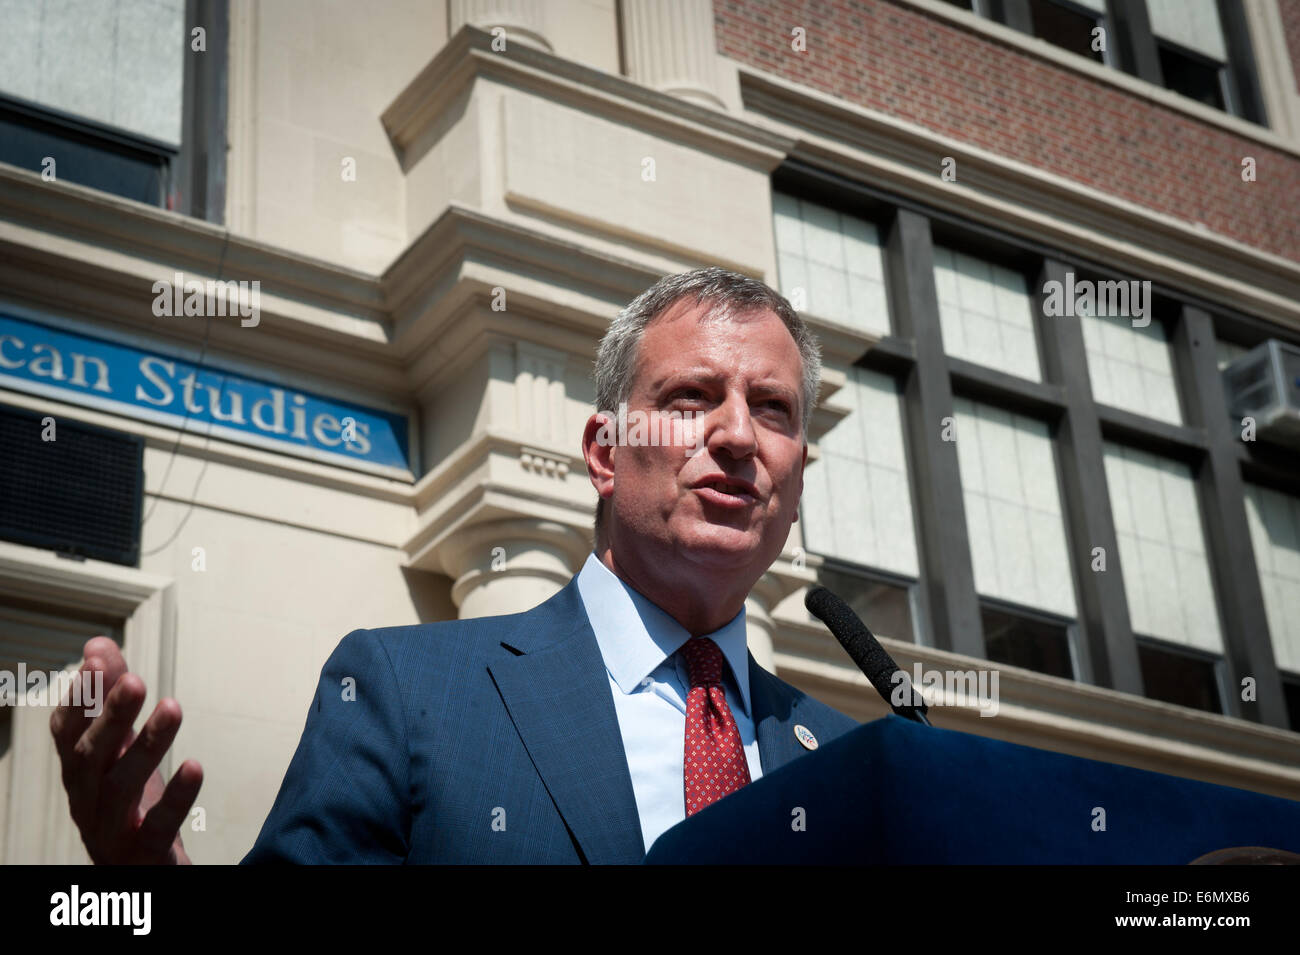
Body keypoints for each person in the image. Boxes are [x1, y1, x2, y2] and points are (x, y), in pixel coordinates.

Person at [50, 267, 860, 864]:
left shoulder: (857, 763)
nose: (737, 435)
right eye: (690, 399)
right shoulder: (406, 693)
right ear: (604, 453)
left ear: (796, 479)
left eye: (773, 408)